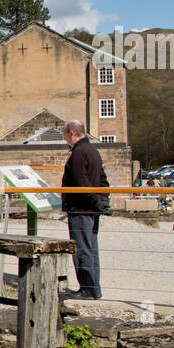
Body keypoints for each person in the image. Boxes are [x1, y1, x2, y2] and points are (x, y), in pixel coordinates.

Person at [61, 120, 111, 300]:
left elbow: (81, 182)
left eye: (65, 135)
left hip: (81, 208)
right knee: (91, 248)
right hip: (90, 208)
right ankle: (93, 287)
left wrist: (94, 201)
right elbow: (102, 179)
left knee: (83, 249)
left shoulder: (79, 153)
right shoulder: (92, 151)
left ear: (72, 133)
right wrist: (102, 201)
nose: (65, 138)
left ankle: (88, 289)